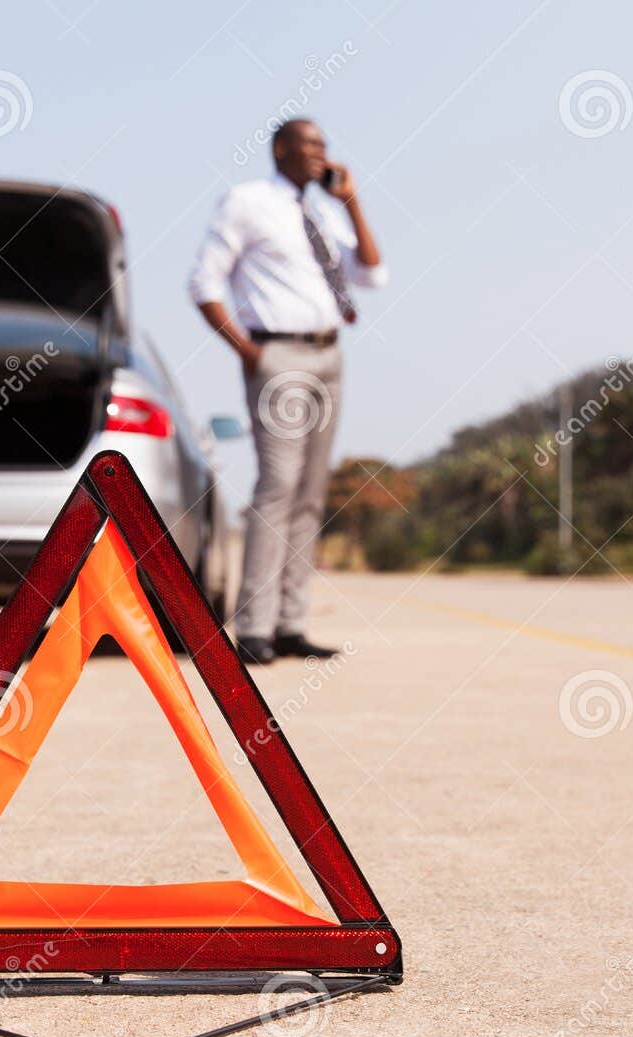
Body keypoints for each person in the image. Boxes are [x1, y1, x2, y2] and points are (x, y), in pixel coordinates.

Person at [188, 118, 387, 665]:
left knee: (311, 492)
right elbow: (203, 282)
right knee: (278, 485)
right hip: (277, 355)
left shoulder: (324, 213)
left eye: (326, 144)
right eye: (311, 143)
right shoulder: (247, 202)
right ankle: (254, 627)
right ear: (281, 150)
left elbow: (372, 275)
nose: (322, 152)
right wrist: (250, 353)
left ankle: (290, 625)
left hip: (329, 354)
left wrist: (352, 203)